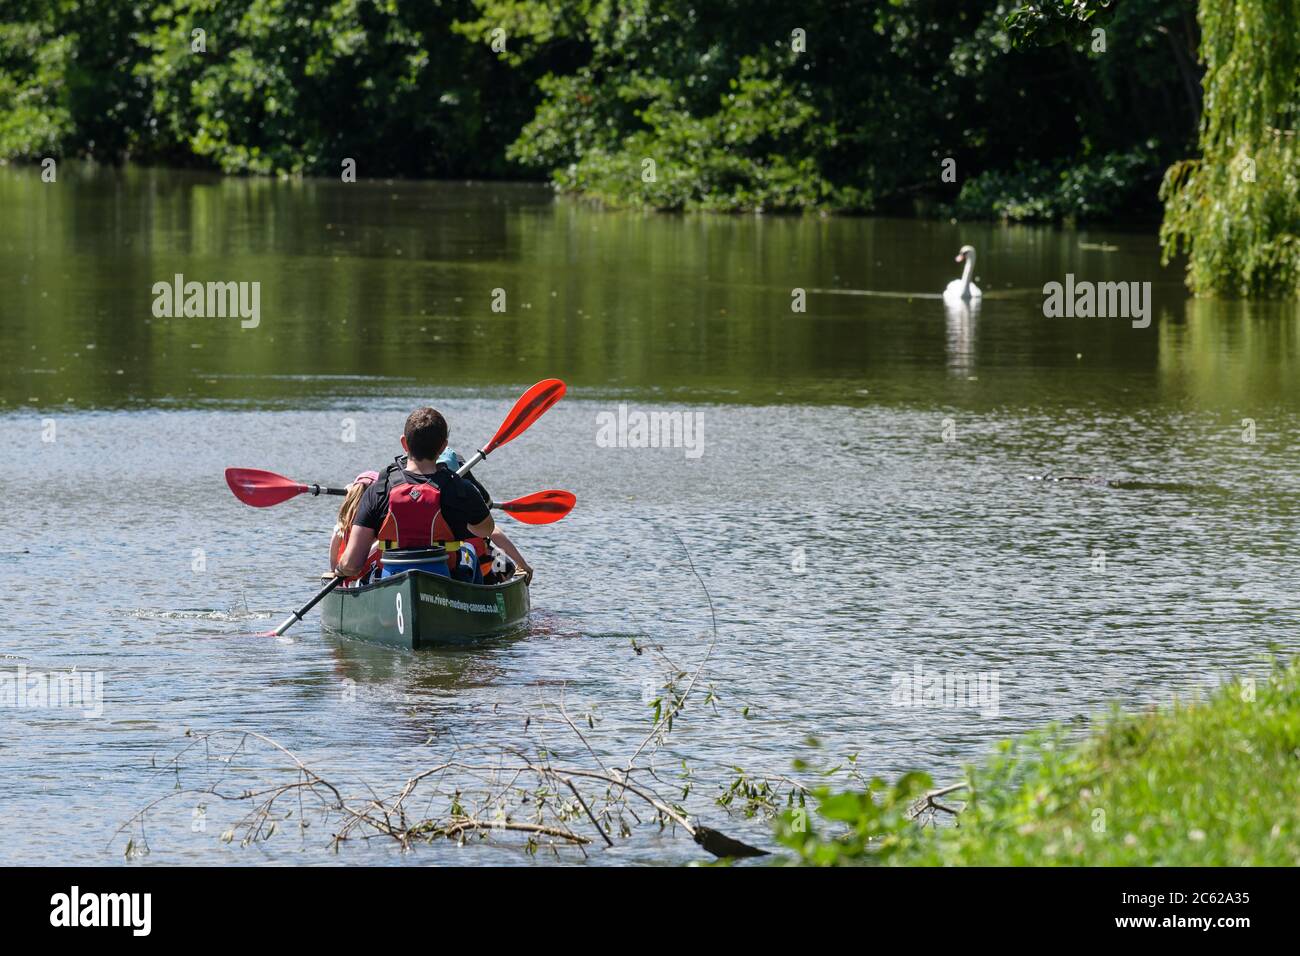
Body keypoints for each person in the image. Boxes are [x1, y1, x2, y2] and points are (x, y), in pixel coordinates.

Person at [334, 407, 531, 584]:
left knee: (368, 578)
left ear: (404, 443)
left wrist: (340, 569)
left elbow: (353, 564)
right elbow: (486, 529)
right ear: (443, 447)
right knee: (470, 552)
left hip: (392, 582)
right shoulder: (461, 490)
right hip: (447, 581)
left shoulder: (378, 490)